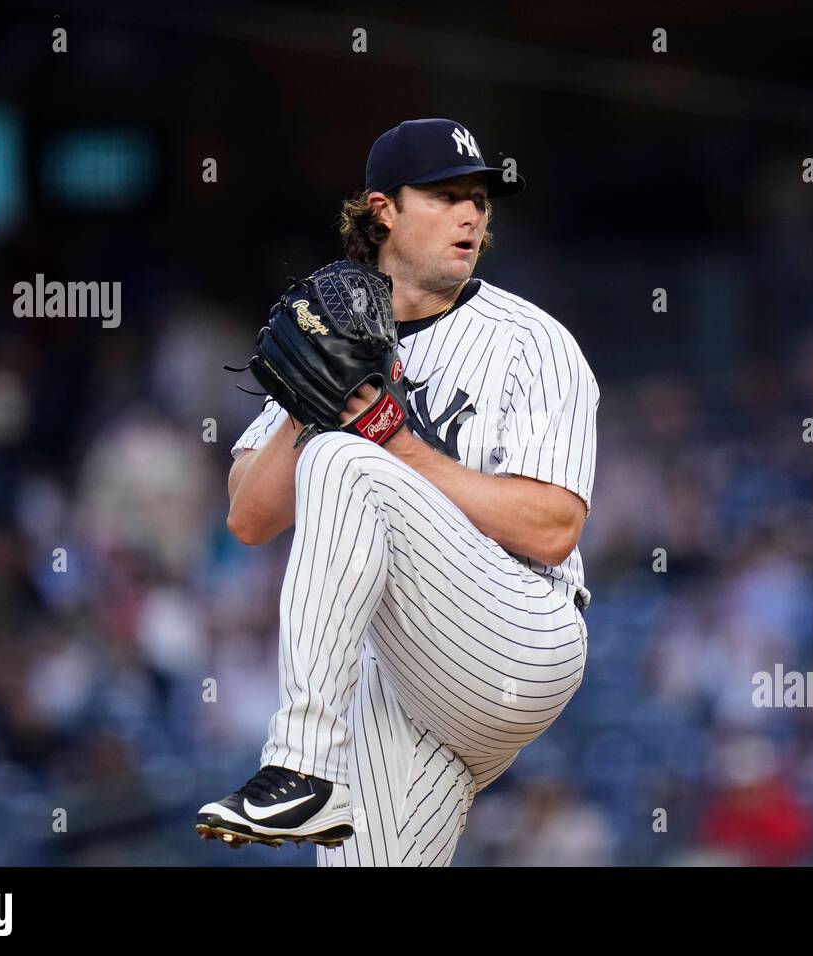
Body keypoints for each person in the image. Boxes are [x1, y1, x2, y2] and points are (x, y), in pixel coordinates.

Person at [196, 118, 601, 866]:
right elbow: (248, 518)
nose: (472, 215)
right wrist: (309, 404)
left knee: (341, 464)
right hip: (408, 677)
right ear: (383, 209)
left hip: (521, 633)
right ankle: (312, 777)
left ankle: (301, 764)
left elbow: (553, 529)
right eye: (447, 196)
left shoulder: (531, 340)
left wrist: (393, 442)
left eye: (479, 199)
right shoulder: (334, 328)